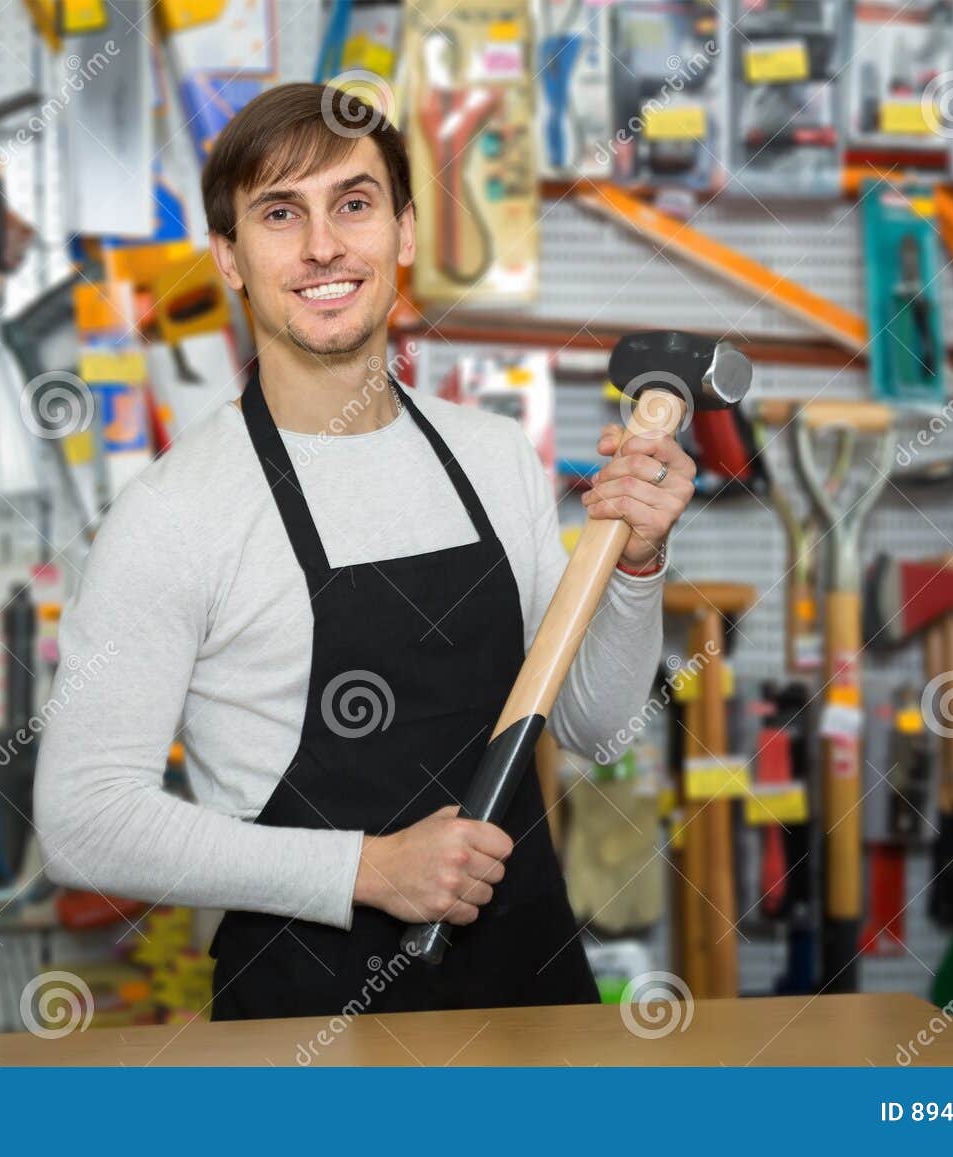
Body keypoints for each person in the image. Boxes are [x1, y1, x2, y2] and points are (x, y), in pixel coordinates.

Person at [34, 83, 699, 1020]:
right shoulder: (175, 512)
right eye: (279, 213)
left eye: (353, 204)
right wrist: (368, 869)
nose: (322, 247)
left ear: (406, 233)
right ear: (228, 256)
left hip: (530, 1005)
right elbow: (82, 822)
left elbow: (597, 723)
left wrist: (636, 566)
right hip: (309, 1028)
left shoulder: (493, 455)